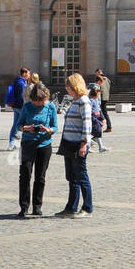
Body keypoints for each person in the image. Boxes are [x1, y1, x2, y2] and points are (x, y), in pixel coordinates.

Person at [16, 82, 57, 218]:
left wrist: (48, 130)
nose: (39, 103)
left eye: (41, 101)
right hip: (28, 143)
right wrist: (27, 128)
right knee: (25, 175)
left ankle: (37, 206)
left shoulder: (50, 107)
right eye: (36, 101)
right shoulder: (27, 106)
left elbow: (55, 127)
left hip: (44, 144)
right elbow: (19, 125)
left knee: (40, 177)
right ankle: (24, 207)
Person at [55, 74, 93, 217]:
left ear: (75, 86)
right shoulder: (75, 101)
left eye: (68, 86)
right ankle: (71, 207)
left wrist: (84, 144)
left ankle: (87, 207)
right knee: (71, 177)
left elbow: (87, 124)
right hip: (68, 144)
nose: (66, 88)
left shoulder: (83, 101)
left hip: (78, 145)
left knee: (81, 176)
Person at [5, 67, 29, 150]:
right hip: (20, 106)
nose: (29, 75)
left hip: (16, 106)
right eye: (28, 73)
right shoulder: (21, 82)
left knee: (16, 124)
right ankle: (15, 143)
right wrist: (24, 106)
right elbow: (21, 96)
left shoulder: (18, 81)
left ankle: (12, 143)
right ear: (25, 73)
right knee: (21, 125)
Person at [86, 83, 110, 151]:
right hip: (93, 119)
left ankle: (100, 146)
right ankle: (87, 146)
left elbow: (99, 109)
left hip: (96, 117)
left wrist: (102, 118)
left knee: (97, 132)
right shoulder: (90, 100)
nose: (99, 96)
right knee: (91, 133)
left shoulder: (95, 100)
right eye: (98, 94)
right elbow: (89, 112)